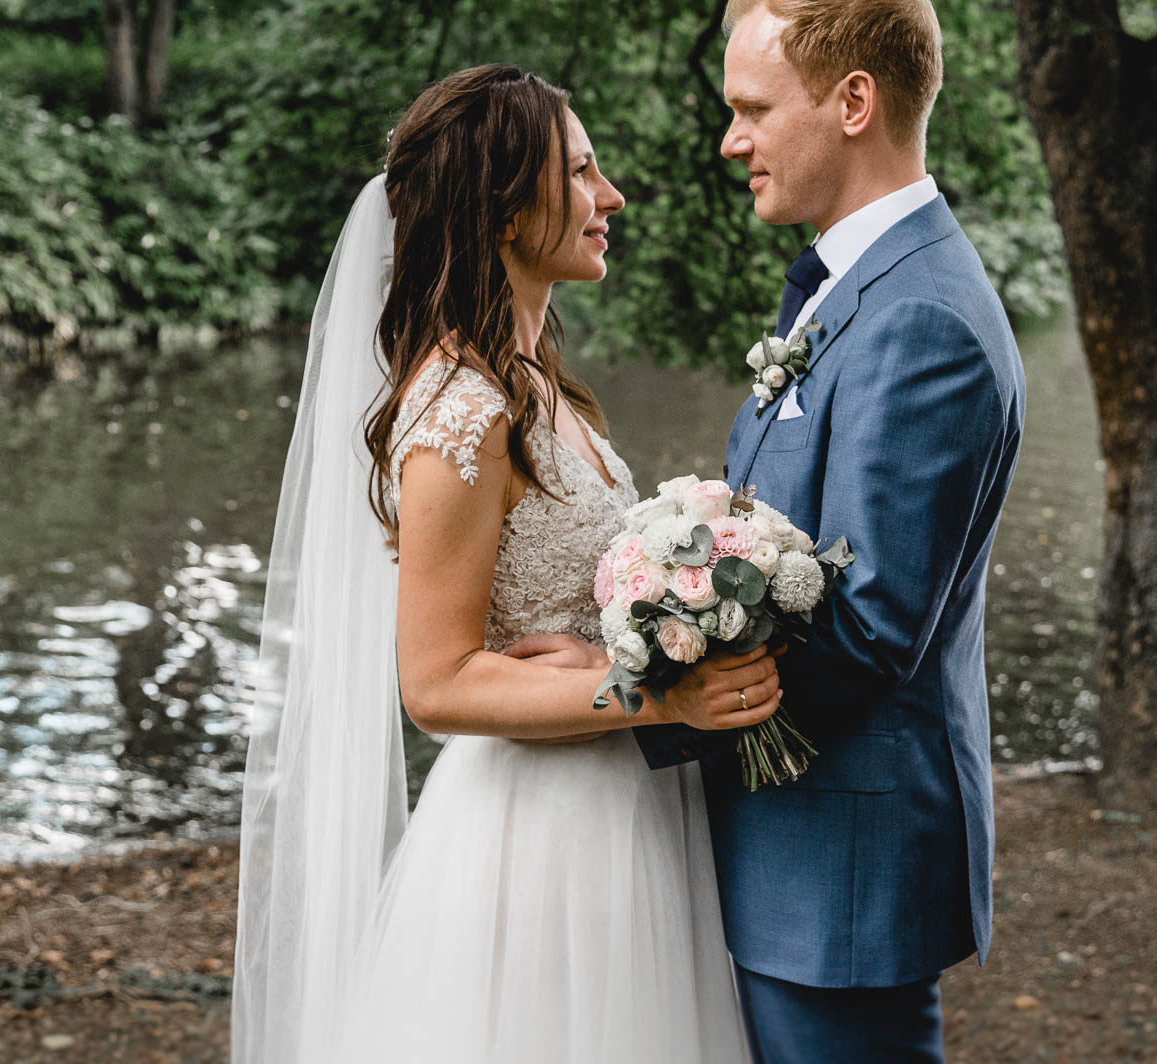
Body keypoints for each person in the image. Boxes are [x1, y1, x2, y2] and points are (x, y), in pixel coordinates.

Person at [230, 64, 774, 1063]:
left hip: (623, 800)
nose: (612, 197)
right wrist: (658, 694)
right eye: (582, 172)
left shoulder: (537, 386)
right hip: (541, 833)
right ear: (506, 205)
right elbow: (436, 684)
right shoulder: (461, 411)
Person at [636, 0, 1028, 1063]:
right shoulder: (851, 288)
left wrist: (639, 700)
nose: (731, 140)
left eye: (754, 109)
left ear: (854, 101)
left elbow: (867, 629)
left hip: (839, 876)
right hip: (789, 853)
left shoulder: (921, 321)